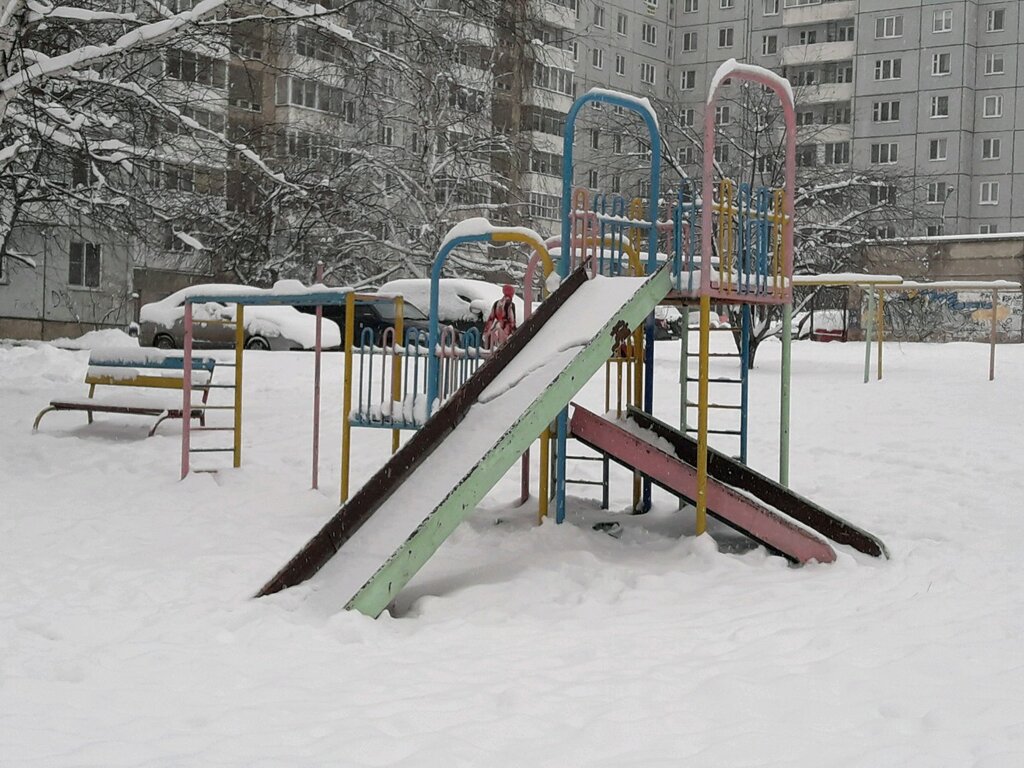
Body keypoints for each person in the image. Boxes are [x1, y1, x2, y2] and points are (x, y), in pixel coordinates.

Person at [483, 284, 518, 349]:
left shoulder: (497, 303)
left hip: (496, 328)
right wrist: (514, 331)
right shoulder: (511, 305)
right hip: (506, 330)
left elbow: (491, 318)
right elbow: (512, 320)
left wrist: (486, 331)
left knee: (495, 348)